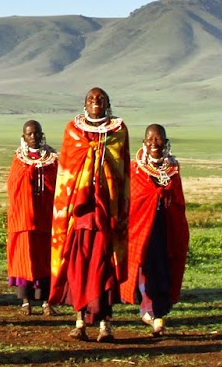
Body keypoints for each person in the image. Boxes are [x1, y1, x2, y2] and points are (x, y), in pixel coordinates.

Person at [51, 88, 129, 342]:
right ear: (84, 104)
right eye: (91, 99)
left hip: (107, 211)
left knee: (104, 265)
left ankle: (106, 325)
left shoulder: (118, 131)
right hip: (79, 213)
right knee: (79, 265)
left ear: (108, 104)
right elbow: (67, 171)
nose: (96, 102)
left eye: (101, 99)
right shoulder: (72, 131)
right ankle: (79, 321)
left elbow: (122, 170)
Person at [126, 124, 189, 337]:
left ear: (166, 141)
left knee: (162, 270)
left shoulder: (173, 169)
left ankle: (158, 315)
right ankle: (148, 310)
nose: (154, 143)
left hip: (165, 228)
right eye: (150, 139)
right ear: (144, 143)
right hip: (140, 228)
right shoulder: (135, 169)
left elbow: (178, 201)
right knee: (143, 269)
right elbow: (132, 200)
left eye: (159, 138)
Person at [6, 120, 57, 315]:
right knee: (24, 257)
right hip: (24, 219)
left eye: (36, 133)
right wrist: (28, 174)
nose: (33, 137)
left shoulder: (52, 159)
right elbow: (13, 186)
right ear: (24, 136)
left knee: (45, 259)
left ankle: (46, 302)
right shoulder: (19, 159)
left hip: (46, 217)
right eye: (29, 134)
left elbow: (58, 185)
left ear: (42, 134)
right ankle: (26, 301)